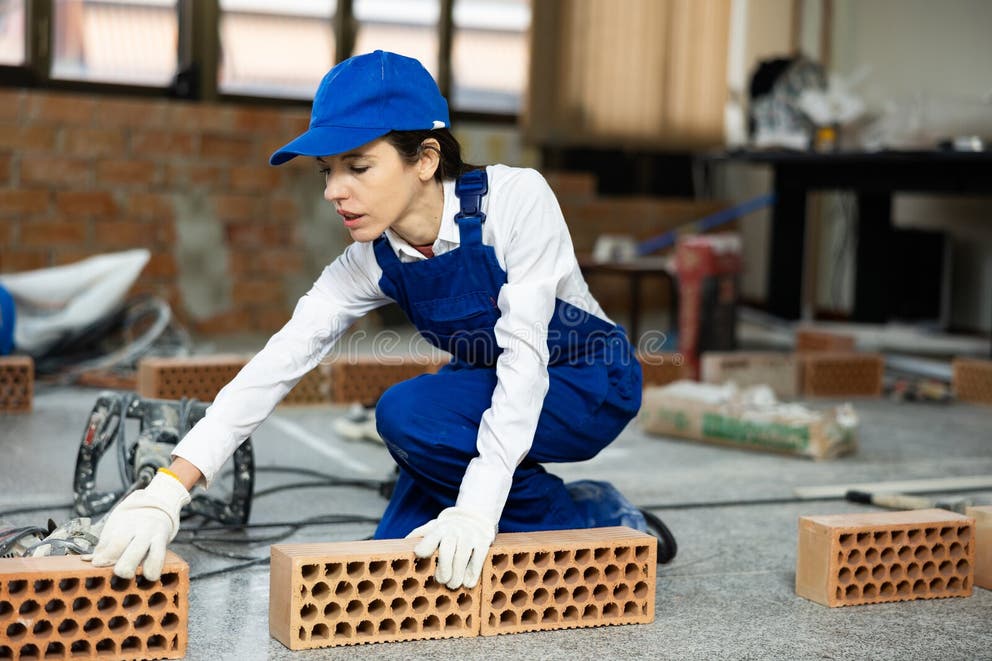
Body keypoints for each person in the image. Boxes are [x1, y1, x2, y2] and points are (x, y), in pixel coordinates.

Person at [87, 50, 674, 590]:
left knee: (413, 417)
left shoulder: (517, 201)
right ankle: (507, 511)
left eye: (358, 167)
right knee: (399, 549)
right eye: (327, 171)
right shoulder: (370, 259)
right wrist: (167, 489)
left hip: (589, 379)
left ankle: (591, 517)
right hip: (497, 379)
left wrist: (476, 509)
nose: (334, 192)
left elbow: (524, 360)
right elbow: (277, 363)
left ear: (425, 158)